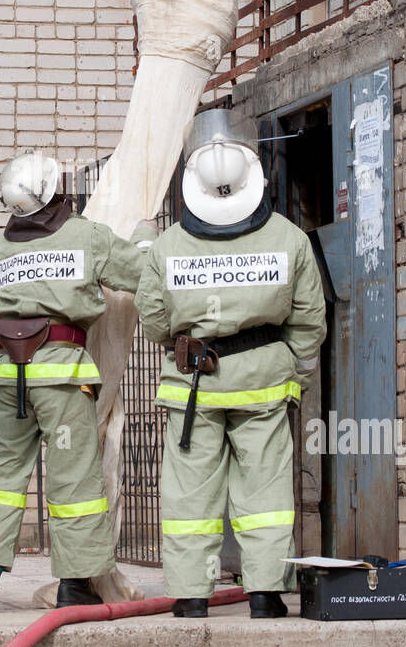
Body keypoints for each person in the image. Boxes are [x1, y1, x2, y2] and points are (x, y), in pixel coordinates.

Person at [135, 110, 326, 620]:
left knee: (189, 493)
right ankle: (265, 594)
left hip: (193, 384)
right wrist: (295, 376)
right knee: (265, 490)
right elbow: (309, 323)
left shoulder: (168, 246)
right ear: (253, 173)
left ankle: (190, 596)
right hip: (264, 383)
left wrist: (188, 339)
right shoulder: (290, 239)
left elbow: (154, 322)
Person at [0, 150, 154, 612]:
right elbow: (141, 274)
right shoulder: (86, 235)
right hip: (61, 375)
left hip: (6, 375)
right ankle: (74, 583)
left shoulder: (4, 244)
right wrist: (145, 238)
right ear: (56, 191)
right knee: (75, 481)